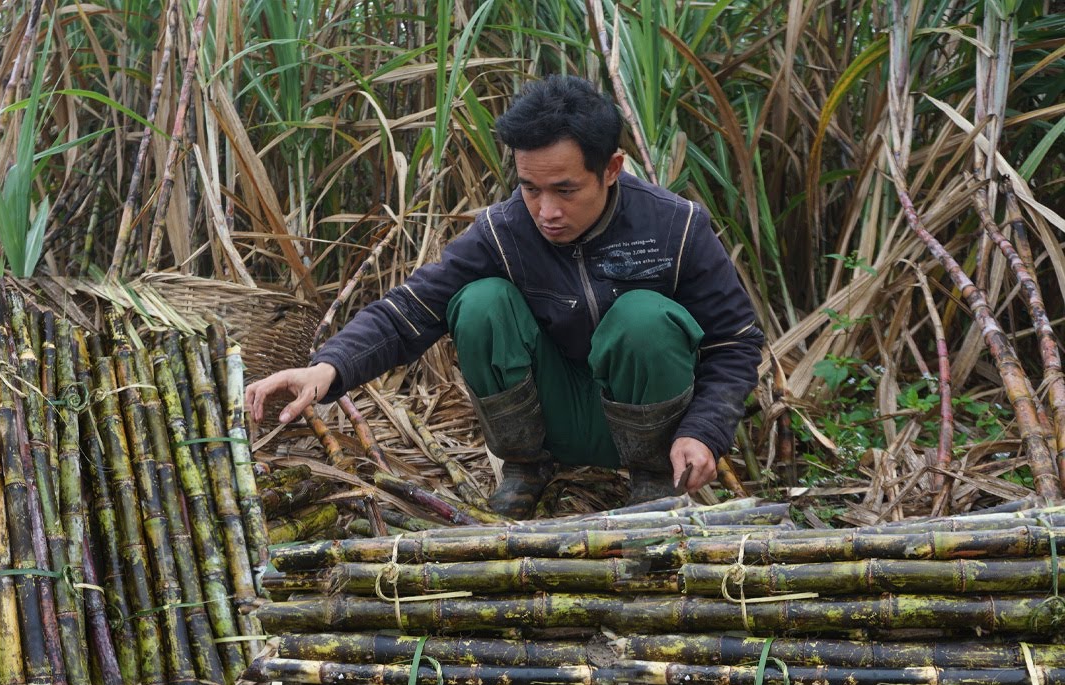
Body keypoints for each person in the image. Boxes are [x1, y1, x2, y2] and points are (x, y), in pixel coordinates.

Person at [246, 75, 763, 519]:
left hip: (655, 430)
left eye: (565, 190)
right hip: (553, 419)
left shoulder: (675, 226)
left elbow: (735, 342)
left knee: (644, 316)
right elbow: (412, 308)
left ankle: (652, 481)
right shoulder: (504, 230)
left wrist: (703, 432)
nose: (546, 212)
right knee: (480, 302)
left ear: (611, 169)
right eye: (530, 188)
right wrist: (327, 368)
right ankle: (525, 469)